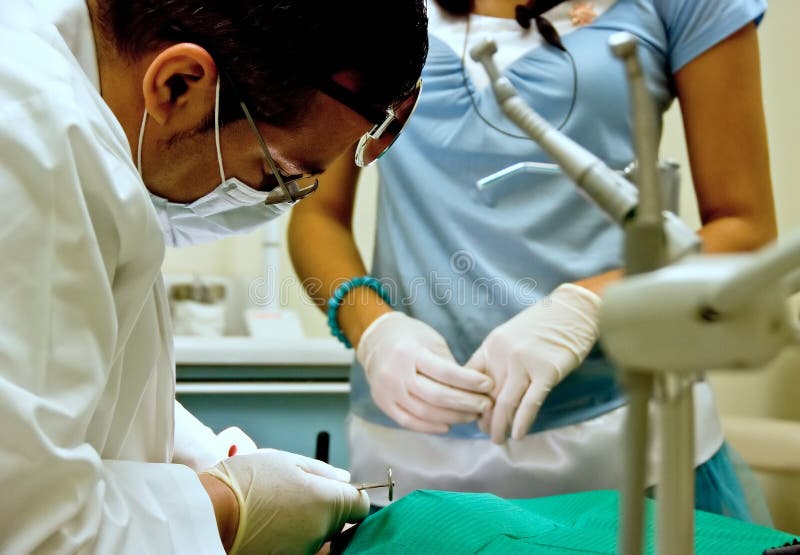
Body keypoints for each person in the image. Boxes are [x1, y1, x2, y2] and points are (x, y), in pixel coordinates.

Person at [288, 0, 777, 520]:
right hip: (408, 454)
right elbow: (318, 215)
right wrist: (374, 330)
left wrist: (588, 305)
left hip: (625, 436)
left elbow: (744, 227)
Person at [0, 0, 427, 553]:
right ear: (179, 85)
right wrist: (227, 510)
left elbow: (46, 395)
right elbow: (29, 531)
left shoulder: (70, 85)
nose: (275, 199)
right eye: (280, 172)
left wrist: (198, 456)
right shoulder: (36, 149)